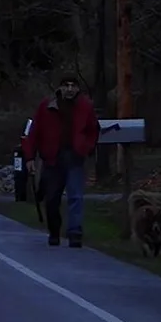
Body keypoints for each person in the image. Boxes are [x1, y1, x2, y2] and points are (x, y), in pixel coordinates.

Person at [22, 71, 100, 247]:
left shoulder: (85, 106)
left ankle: (75, 232)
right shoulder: (47, 106)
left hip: (75, 156)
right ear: (60, 88)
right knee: (52, 198)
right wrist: (29, 157)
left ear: (78, 88)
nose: (70, 89)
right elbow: (34, 133)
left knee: (76, 196)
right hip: (52, 158)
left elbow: (93, 130)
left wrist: (86, 148)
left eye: (73, 86)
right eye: (66, 85)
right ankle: (54, 231)